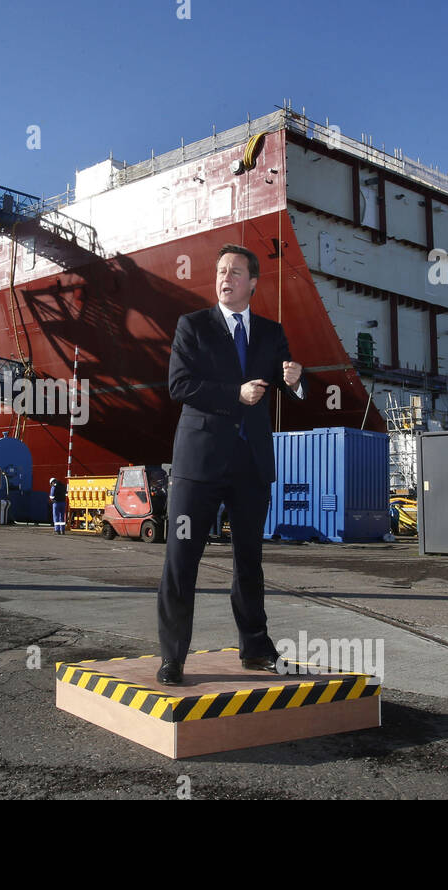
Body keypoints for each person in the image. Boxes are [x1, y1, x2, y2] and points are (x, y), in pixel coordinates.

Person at [155, 244, 306, 686]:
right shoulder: (193, 326)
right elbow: (179, 384)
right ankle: (173, 657)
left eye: (235, 272)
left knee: (249, 561)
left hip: (250, 466)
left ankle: (255, 648)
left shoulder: (270, 332)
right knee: (181, 560)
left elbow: (288, 379)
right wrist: (234, 395)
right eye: (221, 270)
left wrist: (297, 382)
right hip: (197, 466)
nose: (225, 277)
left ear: (253, 283)